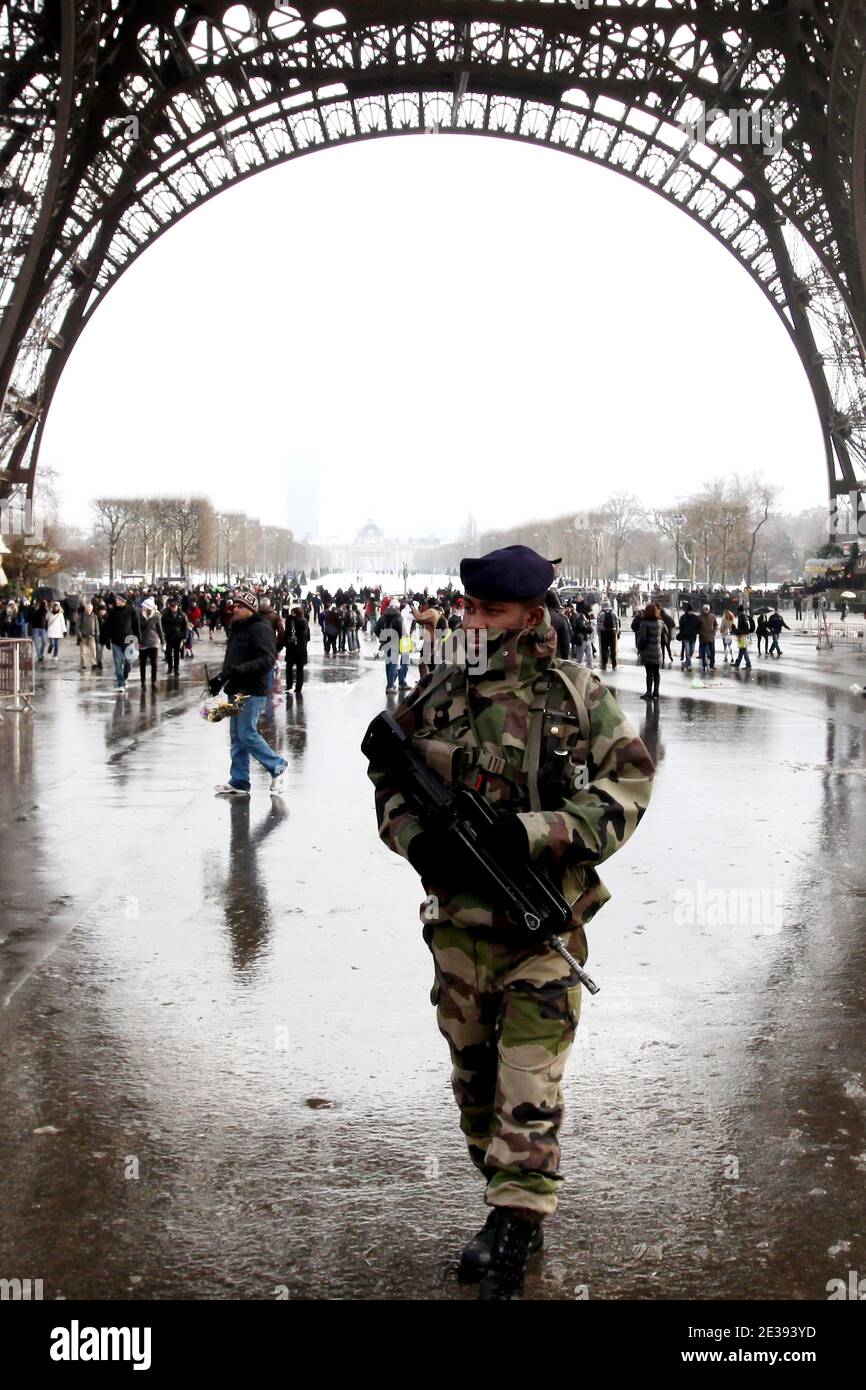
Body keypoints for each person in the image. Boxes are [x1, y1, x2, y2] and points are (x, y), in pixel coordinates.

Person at [365, 544, 654, 1300]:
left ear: (532, 616)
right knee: (475, 1082)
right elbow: (386, 770)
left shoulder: (576, 695)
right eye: (469, 608)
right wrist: (413, 836)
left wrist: (535, 833)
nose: (474, 621)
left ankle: (514, 1226)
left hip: (542, 928)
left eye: (491, 611)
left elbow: (629, 785)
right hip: (458, 931)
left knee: (529, 1083)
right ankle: (507, 1200)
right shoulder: (437, 689)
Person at [209, 588, 288, 796]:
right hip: (235, 687)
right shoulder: (236, 627)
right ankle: (239, 780)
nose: (235, 609)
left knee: (247, 734)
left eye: (240, 606)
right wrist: (220, 679)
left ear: (251, 609)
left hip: (252, 689)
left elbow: (267, 659)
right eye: (234, 605)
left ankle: (277, 766)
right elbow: (232, 659)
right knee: (236, 736)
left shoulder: (261, 629)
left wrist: (240, 671)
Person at [104, 593, 141, 691]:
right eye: (116, 599)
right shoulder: (112, 611)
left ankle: (125, 677)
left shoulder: (132, 610)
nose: (116, 601)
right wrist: (107, 639)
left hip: (130, 640)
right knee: (117, 662)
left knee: (129, 661)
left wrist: (139, 640)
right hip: (116, 641)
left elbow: (136, 626)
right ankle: (120, 683)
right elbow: (107, 626)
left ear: (124, 601)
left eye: (119, 599)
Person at [374, 600, 409, 693]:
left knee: (388, 664)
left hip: (386, 643)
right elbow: (402, 632)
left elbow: (376, 629)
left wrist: (381, 637)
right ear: (397, 607)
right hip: (395, 643)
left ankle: (391, 684)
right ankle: (390, 686)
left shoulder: (383, 617)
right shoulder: (398, 617)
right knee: (394, 664)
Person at [636, 601, 663, 700]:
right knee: (657, 673)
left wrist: (639, 647)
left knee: (649, 673)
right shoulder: (660, 623)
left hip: (647, 651)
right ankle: (656, 692)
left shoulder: (644, 623)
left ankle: (648, 692)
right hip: (657, 650)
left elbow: (643, 638)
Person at [284, 605, 310, 695]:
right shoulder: (305, 622)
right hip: (302, 649)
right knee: (300, 670)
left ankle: (289, 685)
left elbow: (286, 633)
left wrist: (286, 645)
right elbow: (308, 637)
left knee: (289, 668)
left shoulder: (290, 621)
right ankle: (298, 688)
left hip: (291, 648)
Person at [138, 597, 164, 686]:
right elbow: (136, 628)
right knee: (142, 663)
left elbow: (160, 630)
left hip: (154, 642)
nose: (143, 607)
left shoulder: (156, 616)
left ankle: (154, 681)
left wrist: (163, 642)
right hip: (142, 642)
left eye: (145, 606)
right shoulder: (139, 615)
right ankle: (143, 681)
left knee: (154, 662)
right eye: (143, 606)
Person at [162, 597, 188, 675]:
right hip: (168, 637)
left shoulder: (182, 615)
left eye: (175, 606)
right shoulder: (166, 615)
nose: (173, 607)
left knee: (177, 653)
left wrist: (184, 638)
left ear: (177, 606)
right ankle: (170, 667)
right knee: (168, 652)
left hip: (178, 637)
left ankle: (176, 669)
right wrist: (163, 635)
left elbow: (185, 627)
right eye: (172, 606)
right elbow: (162, 625)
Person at [595, 597, 619, 671]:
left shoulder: (600, 613)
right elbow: (617, 622)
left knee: (604, 649)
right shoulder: (613, 612)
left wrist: (599, 632)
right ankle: (614, 665)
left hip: (603, 632)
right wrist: (616, 631)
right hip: (612, 632)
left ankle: (604, 664)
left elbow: (598, 624)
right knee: (613, 649)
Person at [77, 601, 100, 671]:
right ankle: (82, 665)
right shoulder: (81, 616)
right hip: (83, 636)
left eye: (90, 608)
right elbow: (77, 626)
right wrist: (79, 635)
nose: (88, 609)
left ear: (92, 609)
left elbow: (97, 627)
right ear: (85, 608)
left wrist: (97, 635)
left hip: (91, 636)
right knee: (83, 652)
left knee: (93, 651)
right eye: (87, 608)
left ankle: (93, 664)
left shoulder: (94, 616)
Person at [677, 603, 700, 670]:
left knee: (691, 651)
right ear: (687, 611)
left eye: (692, 610)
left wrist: (697, 632)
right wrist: (682, 633)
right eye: (690, 610)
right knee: (687, 651)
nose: (691, 612)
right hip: (685, 637)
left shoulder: (696, 618)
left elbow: (699, 626)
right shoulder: (683, 617)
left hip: (693, 637)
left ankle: (686, 662)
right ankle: (689, 665)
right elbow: (681, 627)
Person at [733, 605, 755, 670]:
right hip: (744, 635)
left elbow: (744, 627)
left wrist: (737, 631)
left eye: (737, 610)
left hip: (743, 635)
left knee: (743, 650)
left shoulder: (742, 616)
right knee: (741, 650)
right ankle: (737, 663)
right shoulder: (744, 616)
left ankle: (748, 664)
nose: (737, 612)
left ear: (739, 611)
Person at [697, 604, 718, 673]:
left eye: (707, 609)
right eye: (704, 609)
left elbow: (715, 624)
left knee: (712, 652)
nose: (705, 610)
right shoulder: (699, 617)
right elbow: (696, 627)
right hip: (703, 637)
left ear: (709, 610)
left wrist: (714, 631)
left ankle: (712, 664)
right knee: (703, 652)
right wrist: (700, 632)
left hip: (711, 636)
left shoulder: (712, 616)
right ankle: (704, 664)